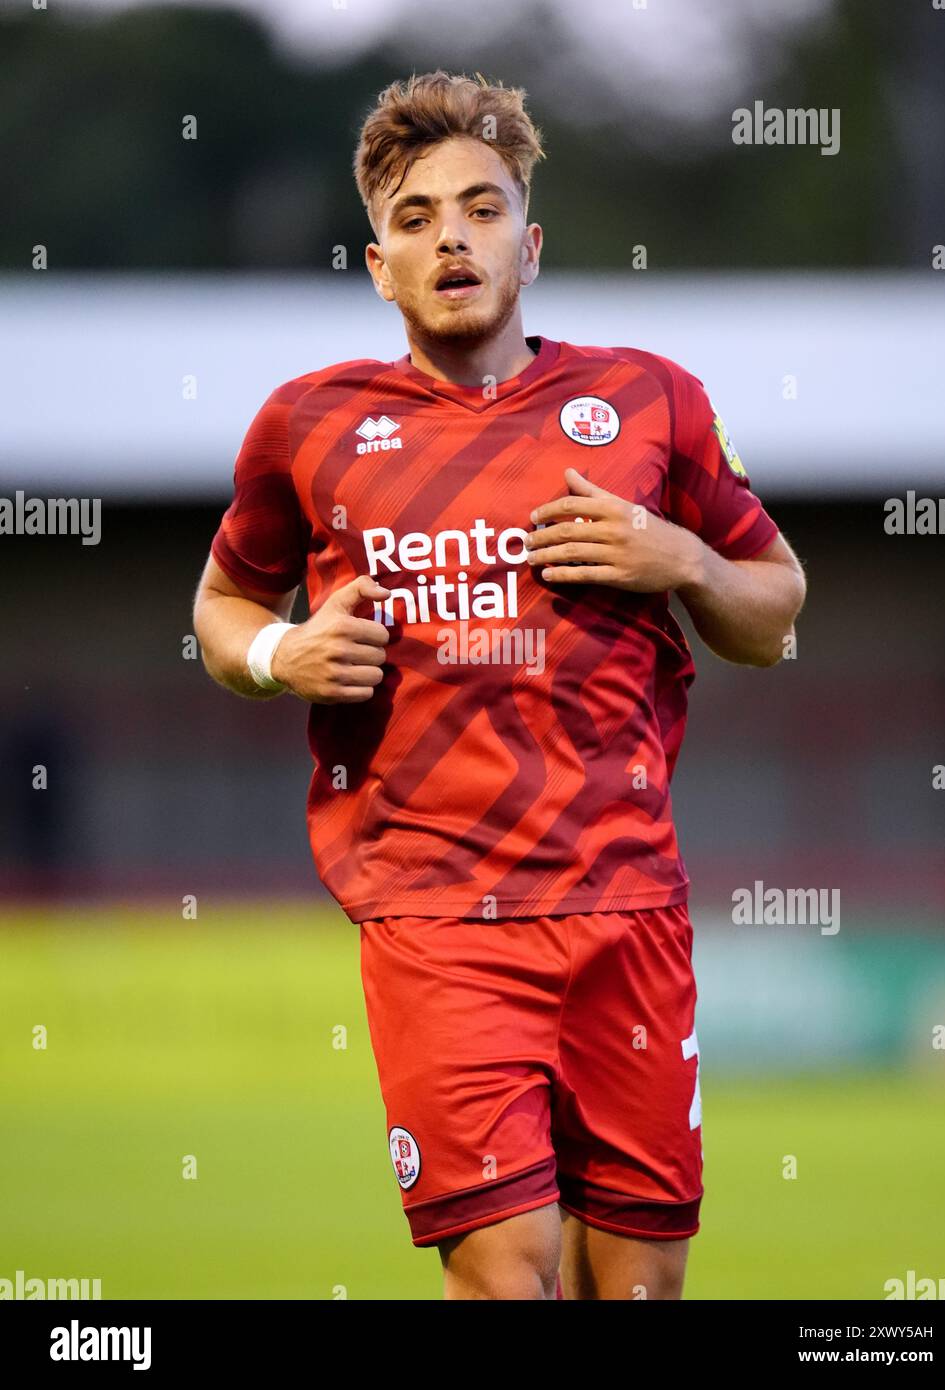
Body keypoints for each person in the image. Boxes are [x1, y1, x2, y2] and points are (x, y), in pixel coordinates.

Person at [193, 70, 806, 1301]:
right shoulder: (306, 426)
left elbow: (774, 607)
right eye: (414, 219)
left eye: (480, 210)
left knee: (636, 1285)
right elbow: (221, 607)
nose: (450, 239)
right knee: (504, 1271)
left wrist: (680, 559)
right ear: (378, 268)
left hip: (627, 908)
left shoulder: (650, 401)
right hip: (434, 916)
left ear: (527, 246)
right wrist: (277, 654)